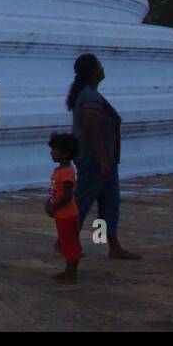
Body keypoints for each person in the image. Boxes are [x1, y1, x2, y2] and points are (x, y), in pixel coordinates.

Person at [67, 52, 140, 260]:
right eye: (99, 65)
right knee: (84, 200)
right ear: (93, 71)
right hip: (94, 158)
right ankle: (65, 240)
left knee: (109, 201)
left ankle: (112, 244)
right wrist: (101, 158)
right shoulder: (89, 96)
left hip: (105, 157)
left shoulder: (89, 93)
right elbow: (92, 128)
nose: (102, 68)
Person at [45, 132, 81, 283]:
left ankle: (71, 273)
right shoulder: (59, 170)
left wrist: (54, 206)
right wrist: (49, 202)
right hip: (61, 213)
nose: (51, 153)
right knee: (66, 242)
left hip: (67, 213)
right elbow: (54, 189)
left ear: (65, 153)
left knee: (69, 243)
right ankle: (68, 271)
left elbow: (67, 195)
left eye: (55, 150)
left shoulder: (67, 172)